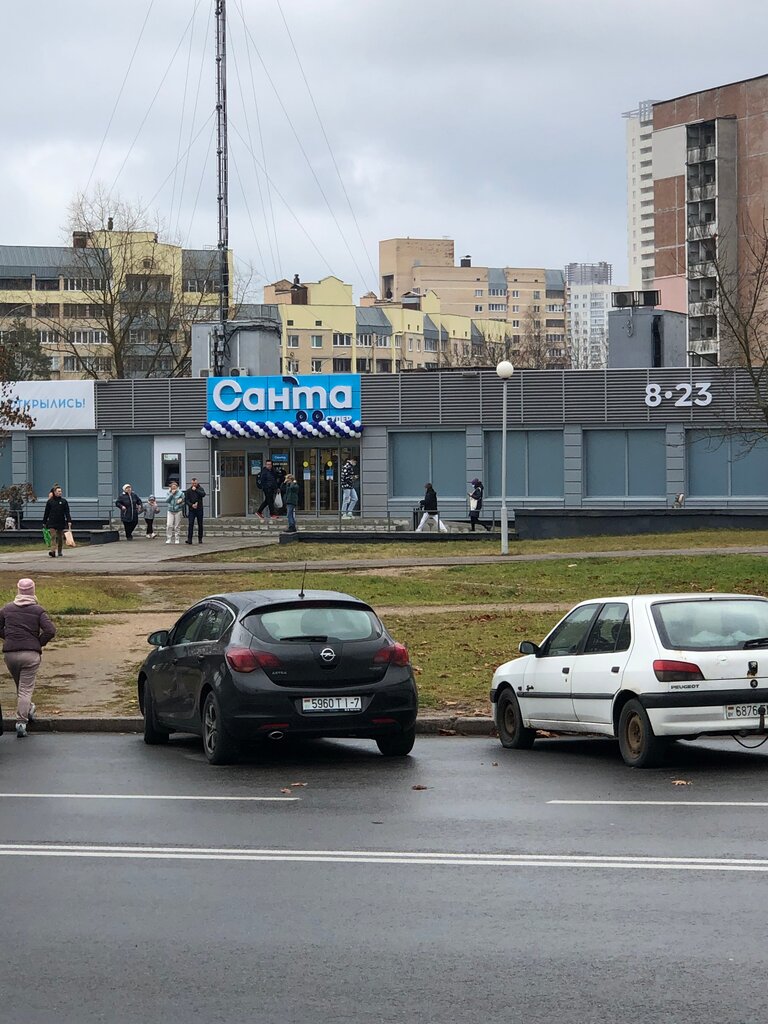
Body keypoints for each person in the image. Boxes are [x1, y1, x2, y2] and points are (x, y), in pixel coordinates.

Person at [0, 577, 56, 737]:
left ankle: (29, 709)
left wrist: (9, 637)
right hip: (30, 655)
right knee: (25, 689)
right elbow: (50, 630)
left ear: (18, 590)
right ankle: (21, 722)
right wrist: (38, 643)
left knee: (21, 687)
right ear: (33, 591)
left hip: (10, 654)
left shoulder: (6, 609)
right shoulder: (38, 611)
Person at [43, 483, 73, 558]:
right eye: (58, 491)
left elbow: (67, 512)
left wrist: (69, 521)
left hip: (60, 522)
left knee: (60, 538)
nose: (60, 492)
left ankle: (60, 551)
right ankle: (53, 551)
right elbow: (46, 512)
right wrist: (44, 521)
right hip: (52, 522)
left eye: (60, 491)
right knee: (53, 536)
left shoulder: (64, 501)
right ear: (54, 492)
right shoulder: (50, 502)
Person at [184, 478, 207, 544]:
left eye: (195, 483)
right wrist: (191, 505)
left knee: (200, 524)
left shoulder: (200, 489)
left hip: (199, 509)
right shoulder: (188, 491)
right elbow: (186, 500)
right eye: (193, 483)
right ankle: (189, 539)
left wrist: (196, 490)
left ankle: (200, 538)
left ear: (197, 483)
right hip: (192, 510)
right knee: (191, 524)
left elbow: (203, 494)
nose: (194, 484)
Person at [165, 480, 185, 544]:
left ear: (177, 487)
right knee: (169, 525)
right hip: (170, 511)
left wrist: (179, 505)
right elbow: (167, 501)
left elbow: (183, 502)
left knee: (177, 526)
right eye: (172, 487)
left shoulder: (181, 493)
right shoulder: (168, 493)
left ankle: (177, 538)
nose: (173, 488)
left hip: (178, 511)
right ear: (170, 487)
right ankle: (169, 538)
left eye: (175, 487)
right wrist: (171, 494)